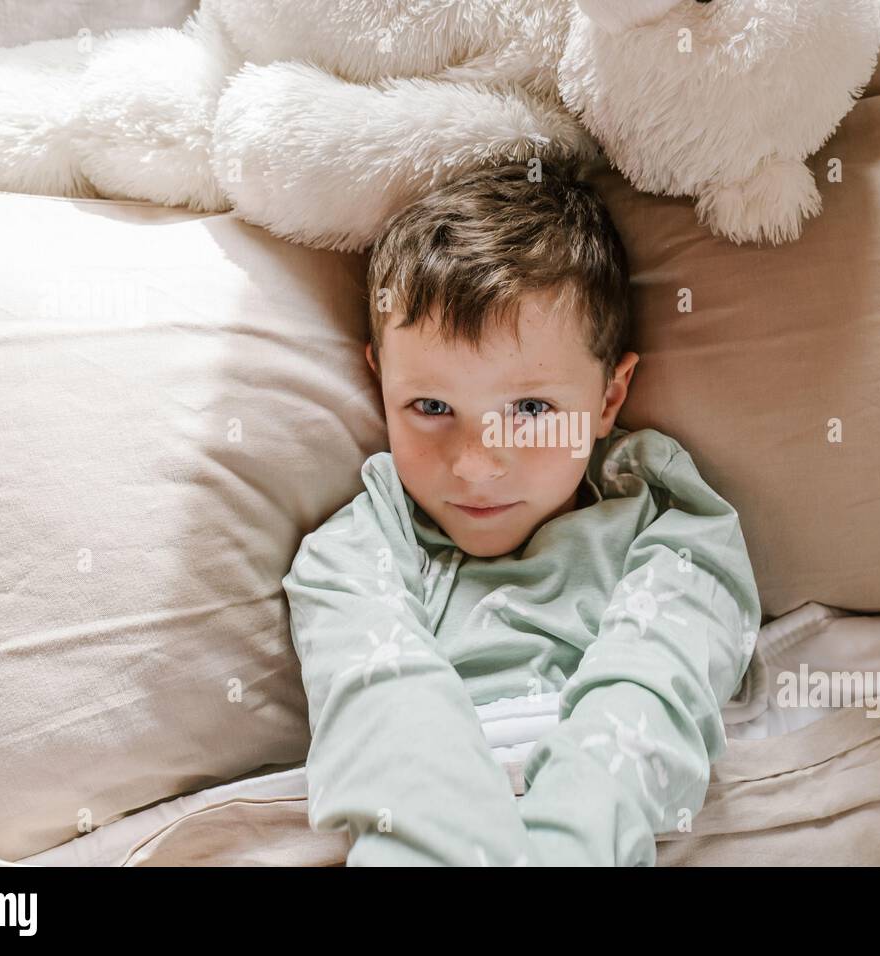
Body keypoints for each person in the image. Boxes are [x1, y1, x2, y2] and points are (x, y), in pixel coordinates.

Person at [282, 159, 761, 865]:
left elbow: (652, 696)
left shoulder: (672, 526)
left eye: (531, 409)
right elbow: (387, 727)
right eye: (432, 408)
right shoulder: (352, 554)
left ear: (607, 398)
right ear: (380, 383)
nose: (475, 464)